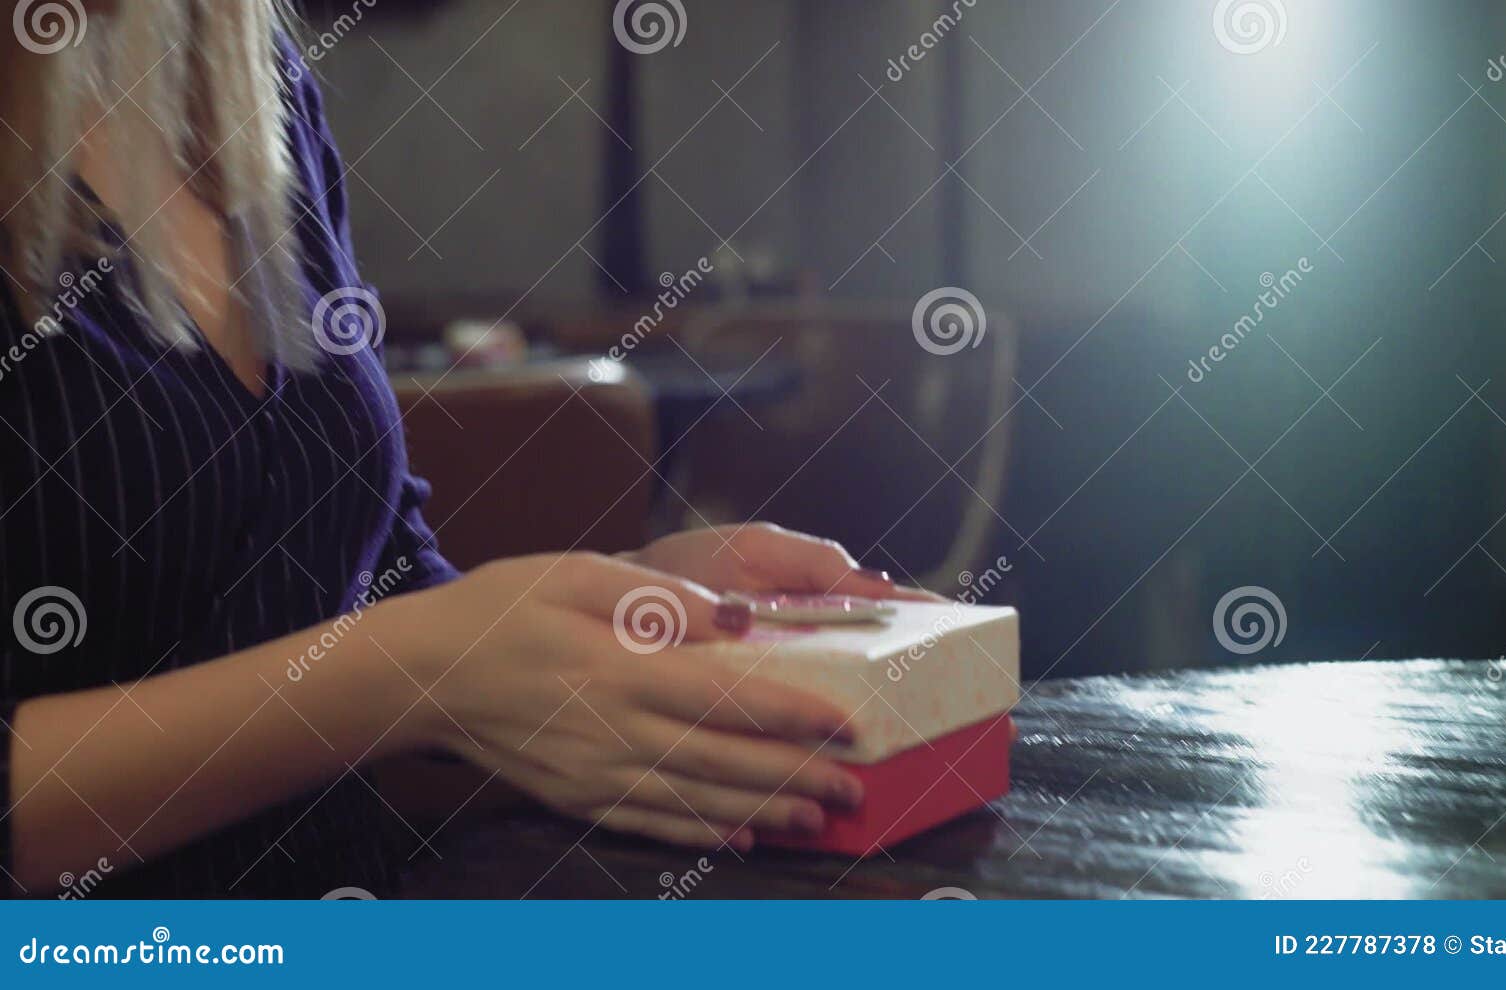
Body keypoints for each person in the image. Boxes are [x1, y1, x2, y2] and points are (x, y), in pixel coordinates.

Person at [0, 3, 925, 898]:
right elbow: (387, 664)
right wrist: (425, 668)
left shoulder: (254, 79)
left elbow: (367, 587)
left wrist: (608, 615)